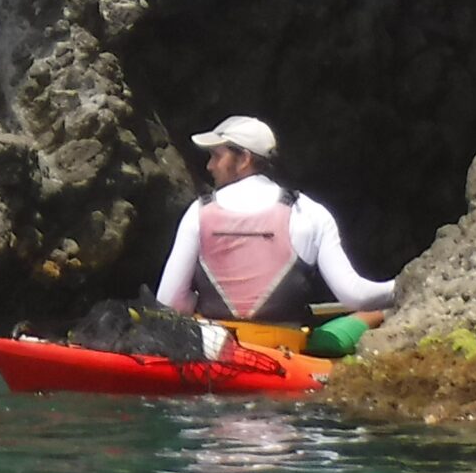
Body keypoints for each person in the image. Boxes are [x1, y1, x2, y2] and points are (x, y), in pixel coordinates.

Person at [153, 115, 395, 327]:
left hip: (215, 349)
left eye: (217, 156)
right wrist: (408, 283)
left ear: (245, 158)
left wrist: (196, 301)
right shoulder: (308, 212)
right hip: (285, 350)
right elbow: (356, 296)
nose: (209, 165)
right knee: (368, 316)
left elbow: (169, 302)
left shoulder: (199, 211)